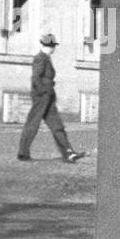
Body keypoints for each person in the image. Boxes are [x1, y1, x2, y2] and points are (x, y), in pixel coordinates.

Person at [17, 33, 85, 163]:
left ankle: (68, 153)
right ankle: (23, 153)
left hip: (48, 96)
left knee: (57, 125)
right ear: (50, 46)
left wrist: (48, 93)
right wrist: (44, 92)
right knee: (33, 124)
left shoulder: (46, 58)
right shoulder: (40, 58)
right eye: (53, 46)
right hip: (41, 97)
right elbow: (35, 78)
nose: (54, 48)